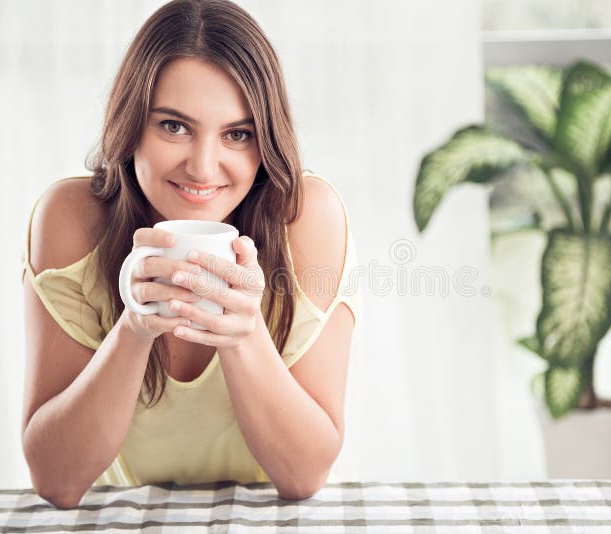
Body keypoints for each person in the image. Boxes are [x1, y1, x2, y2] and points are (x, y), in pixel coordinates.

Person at [20, 0, 360, 509]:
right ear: (131, 123)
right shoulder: (71, 217)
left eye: (237, 134)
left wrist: (244, 335)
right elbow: (55, 480)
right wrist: (135, 329)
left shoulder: (307, 217)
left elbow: (304, 476)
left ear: (265, 142)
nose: (203, 168)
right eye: (174, 126)